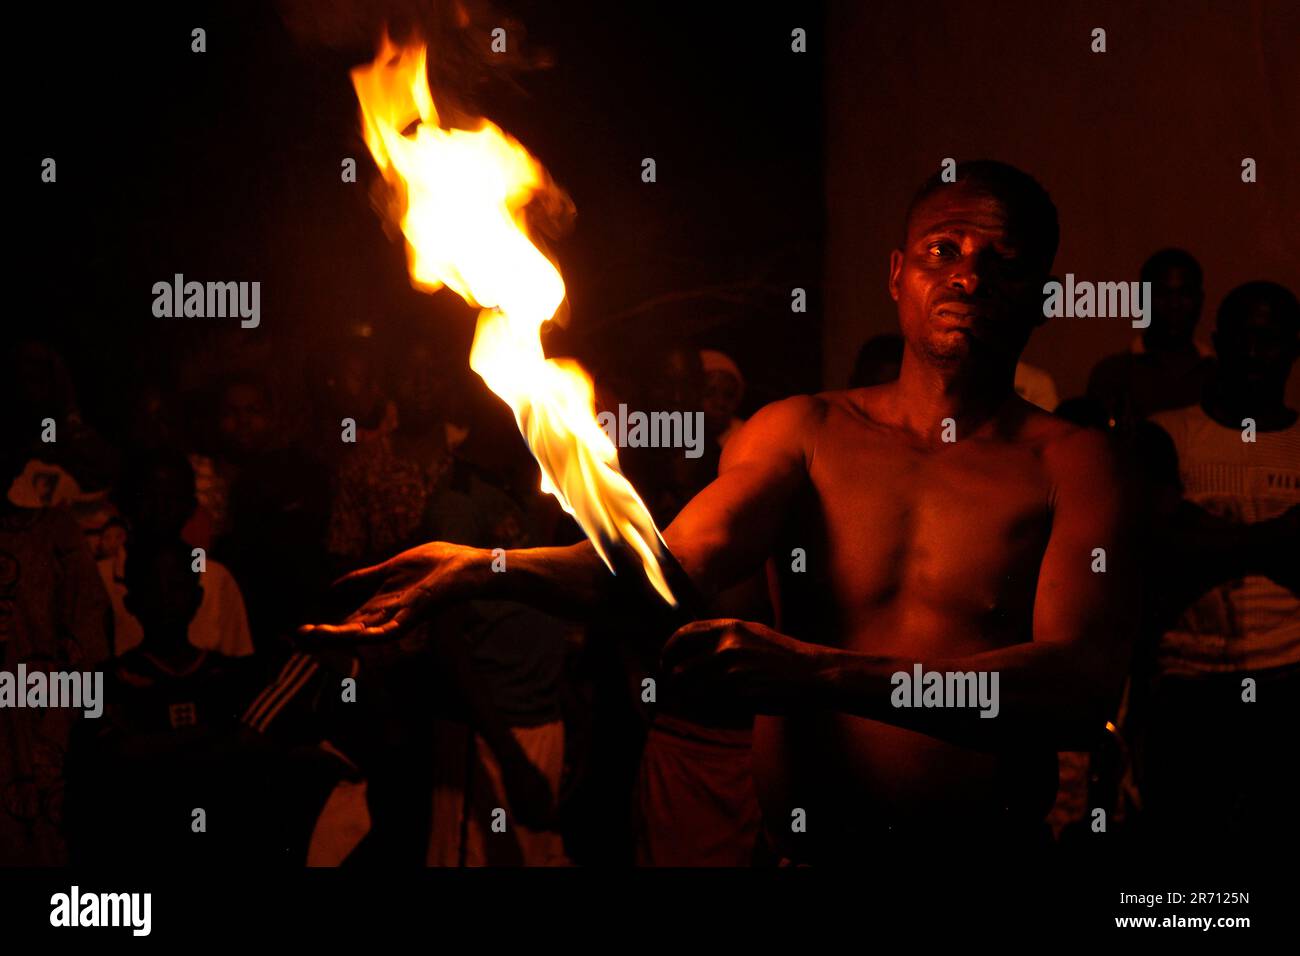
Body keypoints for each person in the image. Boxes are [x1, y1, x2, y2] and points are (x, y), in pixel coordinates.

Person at [304, 161, 1135, 862]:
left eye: (1002, 260)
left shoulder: (1072, 461)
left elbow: (1074, 684)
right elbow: (664, 575)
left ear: (1042, 295)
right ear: (897, 275)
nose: (968, 276)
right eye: (942, 250)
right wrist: (478, 567)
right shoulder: (803, 431)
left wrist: (819, 675)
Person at [1138, 281, 1300, 852]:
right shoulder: (1168, 434)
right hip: (1187, 682)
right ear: (1217, 343)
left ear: (1293, 348)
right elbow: (1158, 547)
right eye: (1243, 337)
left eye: (1270, 339)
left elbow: (1183, 541)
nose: (1255, 353)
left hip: (1288, 681)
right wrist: (1278, 537)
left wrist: (1204, 534)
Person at [1087, 248, 1215, 425]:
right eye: (1162, 294)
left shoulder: (1220, 377)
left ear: (1200, 300)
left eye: (1184, 294)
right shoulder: (1113, 375)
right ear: (1141, 299)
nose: (1174, 305)